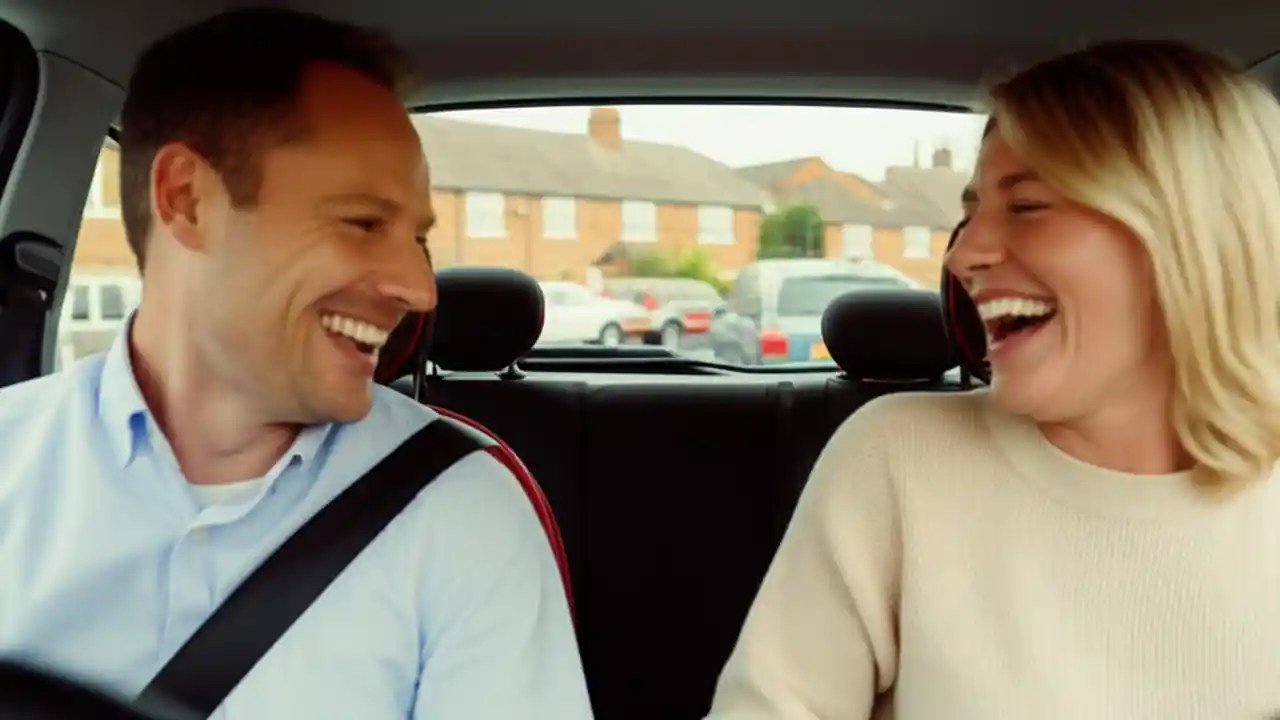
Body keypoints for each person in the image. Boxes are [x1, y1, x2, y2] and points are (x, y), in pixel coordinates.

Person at [0, 8, 592, 719]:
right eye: (362, 222)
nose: (420, 288)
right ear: (187, 199)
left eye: (416, 237)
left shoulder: (463, 508)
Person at [705, 40, 1280, 719]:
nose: (963, 252)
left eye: (1028, 206)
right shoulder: (901, 456)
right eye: (972, 210)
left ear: (1195, 238)